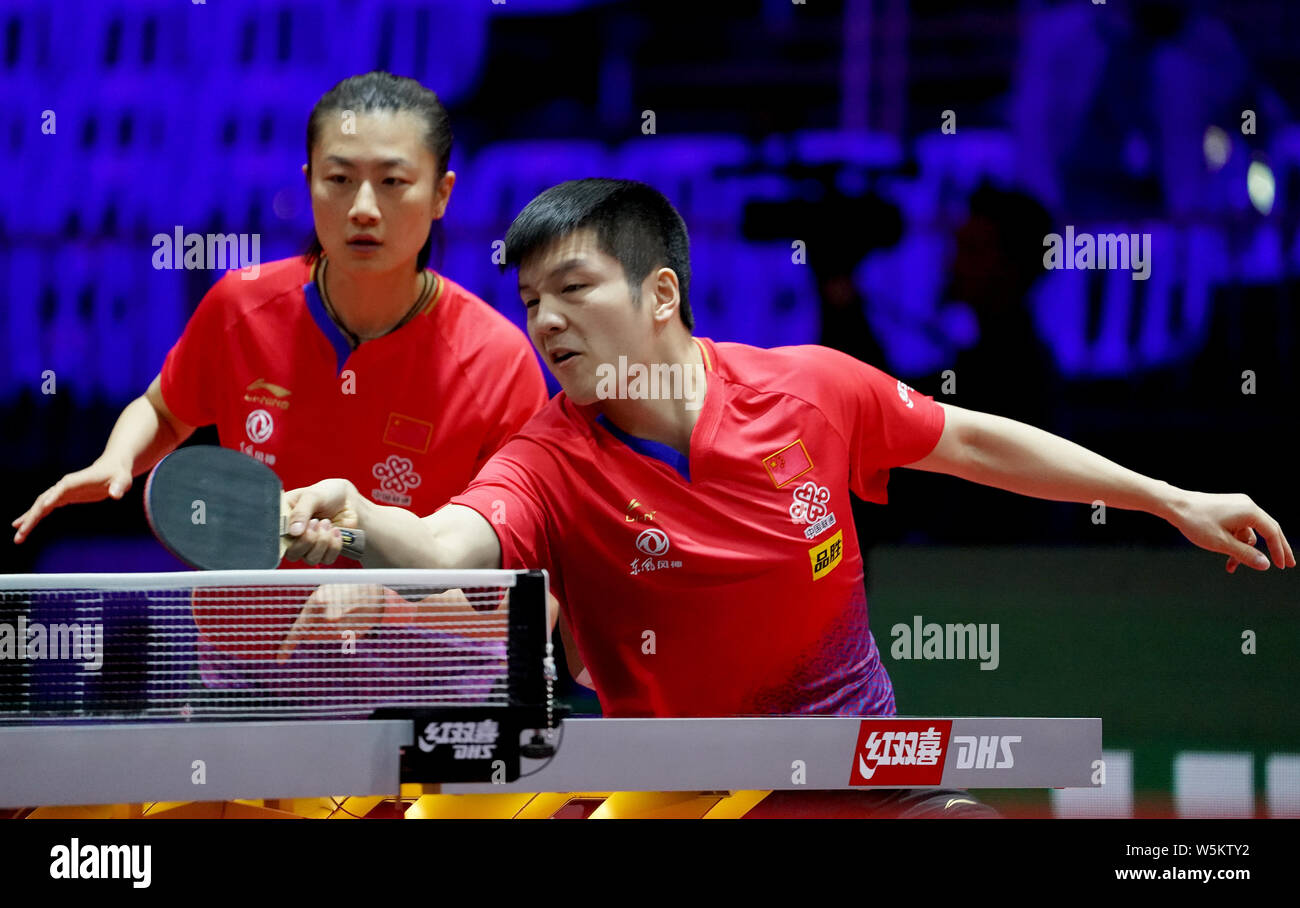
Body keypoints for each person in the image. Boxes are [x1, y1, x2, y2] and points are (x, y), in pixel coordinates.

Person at [277, 178, 1294, 815]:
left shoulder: (808, 387)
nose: (543, 322)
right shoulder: (549, 457)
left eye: (574, 289)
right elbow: (455, 545)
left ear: (661, 294)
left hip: (872, 784)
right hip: (692, 797)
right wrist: (364, 519)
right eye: (529, 300)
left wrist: (1166, 497)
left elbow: (973, 438)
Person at [12, 72, 549, 698]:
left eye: (394, 181)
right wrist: (118, 458)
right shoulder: (240, 307)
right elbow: (165, 408)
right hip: (245, 672)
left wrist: (386, 600)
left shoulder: (497, 362)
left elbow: (529, 595)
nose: (364, 208)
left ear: (441, 194)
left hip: (423, 687)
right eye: (340, 179)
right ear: (308, 184)